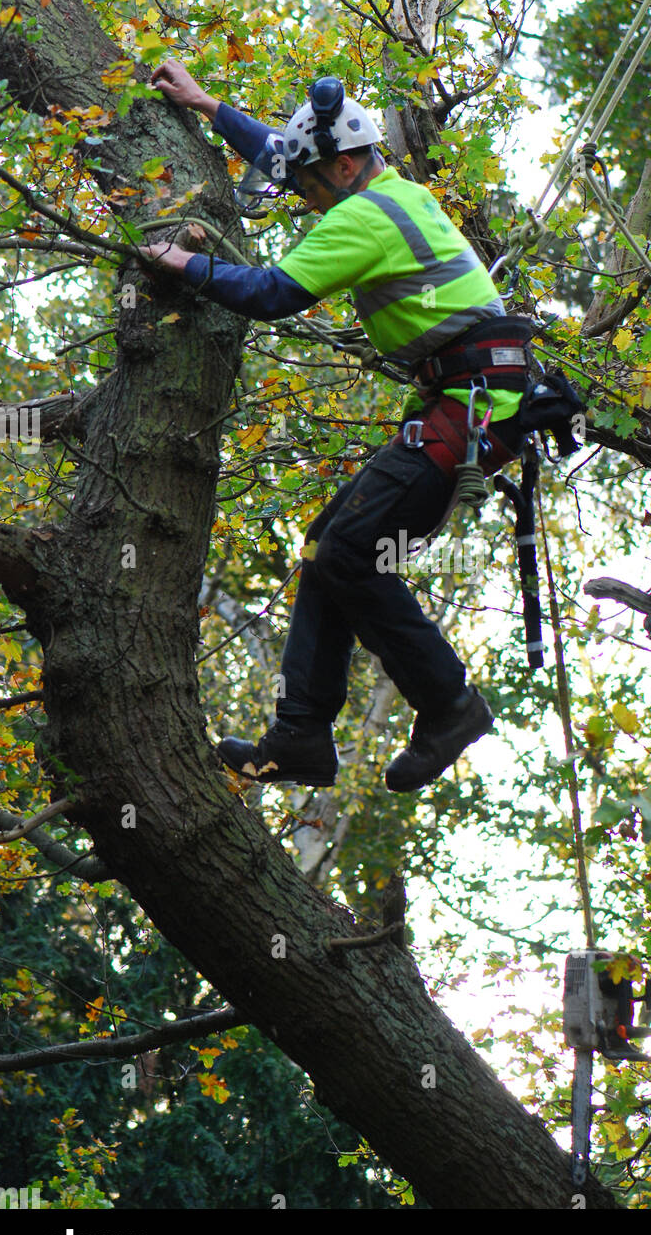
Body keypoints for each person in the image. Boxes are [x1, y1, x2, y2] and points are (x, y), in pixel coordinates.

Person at [141, 61, 535, 792]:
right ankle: (302, 739)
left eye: (312, 187)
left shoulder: (362, 216)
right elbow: (293, 160)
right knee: (332, 547)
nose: (305, 200)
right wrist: (210, 105)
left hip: (475, 406)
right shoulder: (390, 195)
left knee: (352, 551)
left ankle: (451, 705)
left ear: (347, 166)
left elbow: (271, 293)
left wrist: (184, 264)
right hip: (477, 401)